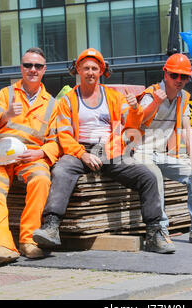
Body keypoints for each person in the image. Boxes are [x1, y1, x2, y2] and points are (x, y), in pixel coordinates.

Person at [32, 48, 175, 254]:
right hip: (79, 150)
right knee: (62, 170)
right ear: (78, 71)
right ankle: (51, 226)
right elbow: (64, 134)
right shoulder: (67, 100)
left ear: (101, 72)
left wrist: (135, 109)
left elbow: (132, 125)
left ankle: (154, 233)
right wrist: (83, 154)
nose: (90, 72)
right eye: (86, 68)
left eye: (94, 68)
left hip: (110, 151)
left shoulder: (115, 97)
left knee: (148, 176)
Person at [132, 53, 192, 244]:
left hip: (160, 154)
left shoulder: (183, 97)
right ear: (165, 74)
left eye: (183, 77)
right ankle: (161, 232)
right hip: (139, 153)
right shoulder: (151, 95)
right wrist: (156, 103)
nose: (178, 80)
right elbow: (139, 119)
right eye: (174, 75)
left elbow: (188, 131)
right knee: (155, 177)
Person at [0, 47, 61, 265]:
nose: (32, 70)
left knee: (42, 180)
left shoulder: (52, 104)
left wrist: (41, 152)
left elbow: (56, 140)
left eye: (37, 66)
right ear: (21, 68)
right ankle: (1, 246)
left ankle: (29, 240)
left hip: (30, 156)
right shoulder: (6, 94)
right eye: (28, 65)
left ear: (44, 70)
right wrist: (5, 115)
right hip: (0, 155)